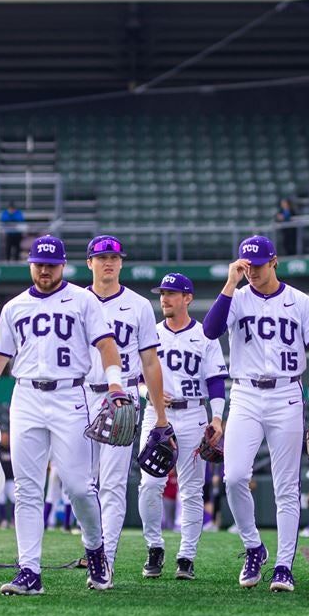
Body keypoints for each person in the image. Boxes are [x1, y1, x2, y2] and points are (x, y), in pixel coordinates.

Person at [0, 234, 127, 595]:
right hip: (27, 397)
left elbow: (107, 344)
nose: (45, 270)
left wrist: (115, 384)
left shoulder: (82, 299)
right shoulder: (15, 306)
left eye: (51, 264)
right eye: (39, 264)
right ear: (31, 265)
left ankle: (96, 550)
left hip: (70, 394)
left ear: (63, 266)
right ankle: (29, 571)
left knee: (79, 487)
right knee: (27, 489)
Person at [203, 234, 309, 593]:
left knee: (286, 487)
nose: (253, 272)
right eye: (247, 266)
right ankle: (253, 547)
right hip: (245, 392)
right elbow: (210, 331)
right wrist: (230, 283)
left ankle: (283, 565)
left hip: (286, 393)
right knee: (233, 477)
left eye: (259, 265)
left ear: (274, 262)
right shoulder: (236, 297)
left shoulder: (299, 301)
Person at [80, 235, 169, 577]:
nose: (109, 263)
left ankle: (106, 560)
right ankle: (92, 546)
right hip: (81, 394)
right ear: (90, 263)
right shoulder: (75, 301)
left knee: (113, 484)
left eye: (114, 258)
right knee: (80, 483)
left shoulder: (139, 305)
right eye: (102, 257)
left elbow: (150, 362)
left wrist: (160, 414)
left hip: (123, 397)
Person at [139, 272, 227, 581]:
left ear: (187, 298)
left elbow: (216, 381)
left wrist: (217, 417)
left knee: (192, 490)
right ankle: (154, 547)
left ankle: (186, 556)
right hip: (156, 414)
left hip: (193, 413)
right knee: (150, 484)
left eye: (171, 293)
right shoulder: (150, 332)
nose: (164, 298)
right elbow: (136, 377)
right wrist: (146, 392)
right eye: (162, 293)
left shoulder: (205, 335)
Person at [0, 431, 16, 529]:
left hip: (11, 479)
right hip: (0, 479)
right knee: (1, 500)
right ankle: (3, 520)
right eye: (3, 438)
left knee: (15, 498)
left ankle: (13, 520)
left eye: (7, 438)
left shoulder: (13, 449)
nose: (5, 440)